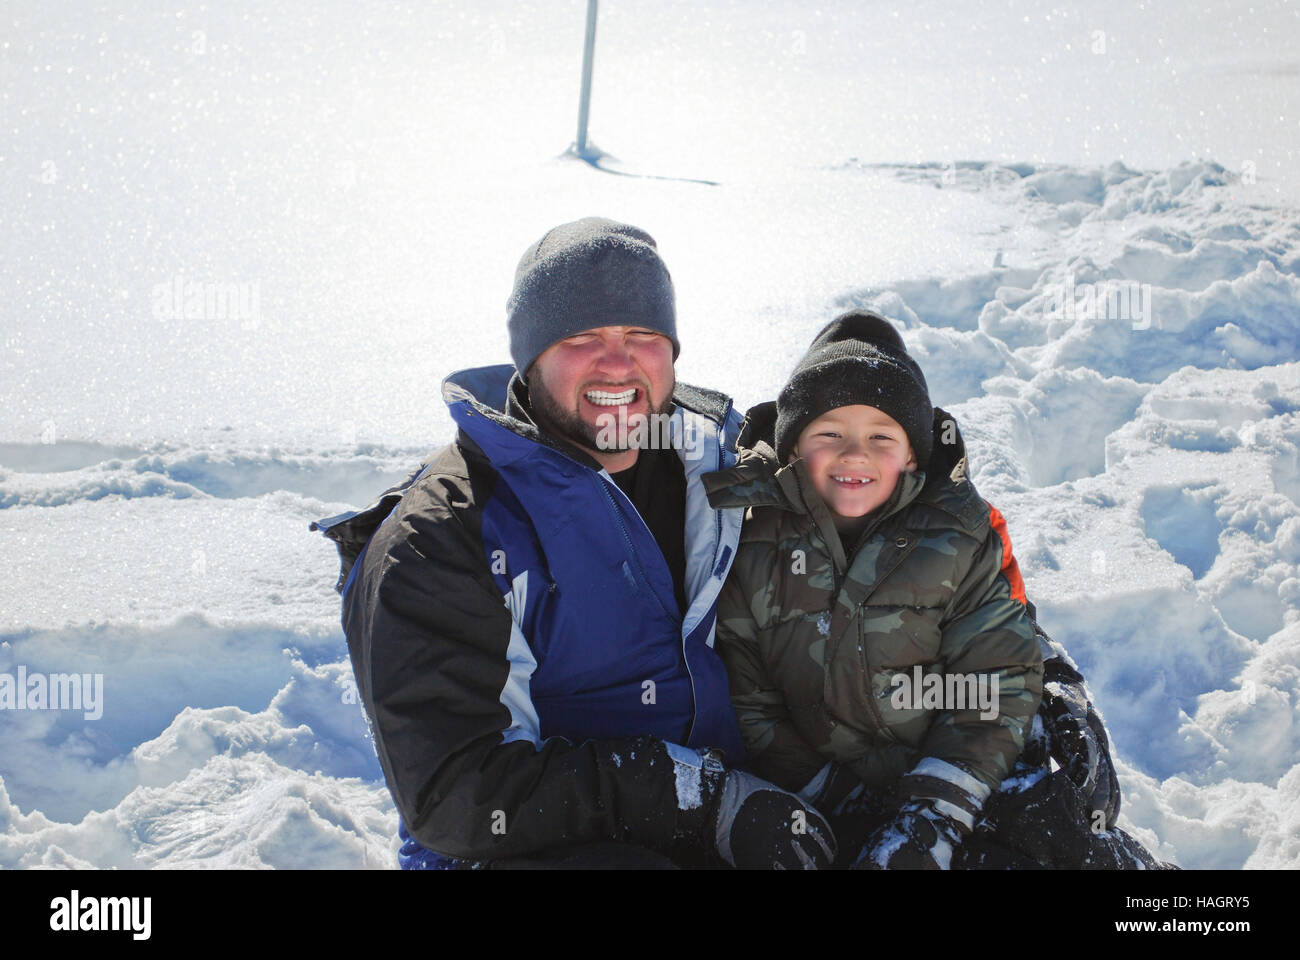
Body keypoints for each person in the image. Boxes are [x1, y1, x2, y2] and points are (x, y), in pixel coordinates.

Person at [312, 216, 1127, 869]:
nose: (615, 362)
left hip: (772, 802)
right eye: (579, 338)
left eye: (641, 335)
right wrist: (699, 798)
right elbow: (457, 795)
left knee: (1045, 836)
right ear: (528, 360)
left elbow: (915, 547)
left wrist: (1043, 681)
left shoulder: (726, 463)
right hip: (536, 843)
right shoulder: (446, 533)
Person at [705, 311, 1163, 868]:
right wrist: (828, 794)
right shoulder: (750, 539)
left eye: (881, 436)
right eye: (830, 434)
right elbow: (750, 697)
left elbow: (997, 674)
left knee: (1052, 837)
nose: (855, 454)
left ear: (914, 456)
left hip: (969, 773)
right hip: (826, 798)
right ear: (794, 446)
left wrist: (936, 810)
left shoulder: (960, 535)